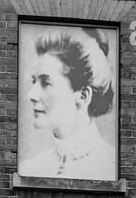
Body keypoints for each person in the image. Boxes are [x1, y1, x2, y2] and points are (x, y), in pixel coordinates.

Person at [20, 26, 118, 180]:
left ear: (83, 95)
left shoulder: (110, 166)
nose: (31, 94)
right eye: (34, 82)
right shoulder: (30, 168)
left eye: (45, 82)